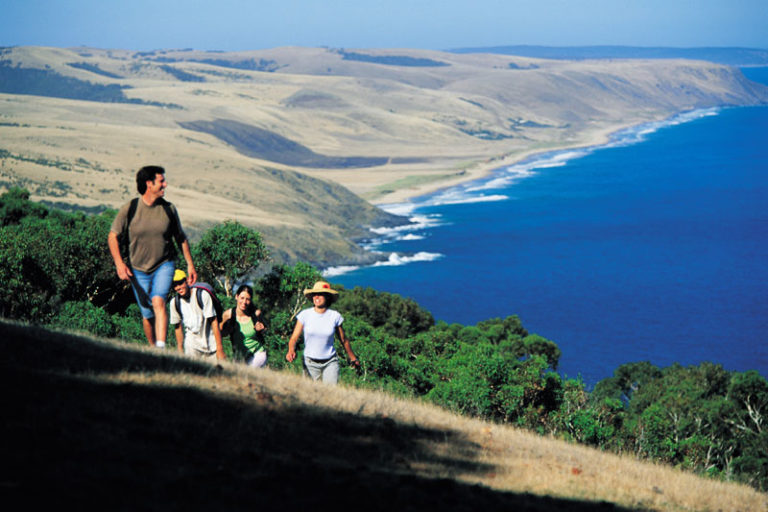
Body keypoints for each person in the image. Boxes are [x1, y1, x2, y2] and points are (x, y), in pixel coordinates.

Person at [107, 165, 197, 348]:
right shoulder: (130, 209)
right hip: (137, 269)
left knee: (158, 300)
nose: (165, 184)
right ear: (149, 184)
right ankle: (153, 347)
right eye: (161, 181)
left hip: (164, 264)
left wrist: (190, 264)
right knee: (147, 314)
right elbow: (113, 236)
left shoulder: (169, 209)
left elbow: (180, 238)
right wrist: (119, 263)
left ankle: (161, 347)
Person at [286, 281, 360, 384]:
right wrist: (291, 350)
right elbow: (294, 338)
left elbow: (343, 340)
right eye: (314, 294)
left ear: (327, 297)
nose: (317, 297)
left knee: (330, 392)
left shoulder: (335, 316)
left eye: (320, 294)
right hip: (309, 363)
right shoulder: (304, 315)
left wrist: (353, 358)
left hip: (330, 362)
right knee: (310, 392)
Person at [169, 269, 225, 361]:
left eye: (180, 283)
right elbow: (178, 327)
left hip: (211, 344)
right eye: (174, 285)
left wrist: (220, 348)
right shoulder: (174, 303)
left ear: (187, 281)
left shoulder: (202, 295)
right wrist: (180, 350)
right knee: (192, 369)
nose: (178, 287)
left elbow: (214, 321)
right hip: (192, 345)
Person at [220, 284, 267, 368]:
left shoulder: (256, 314)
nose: (244, 302)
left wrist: (262, 328)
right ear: (236, 297)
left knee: (249, 373)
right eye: (242, 298)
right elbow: (220, 333)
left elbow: (265, 328)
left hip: (257, 354)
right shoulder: (228, 315)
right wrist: (227, 329)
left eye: (247, 299)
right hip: (239, 357)